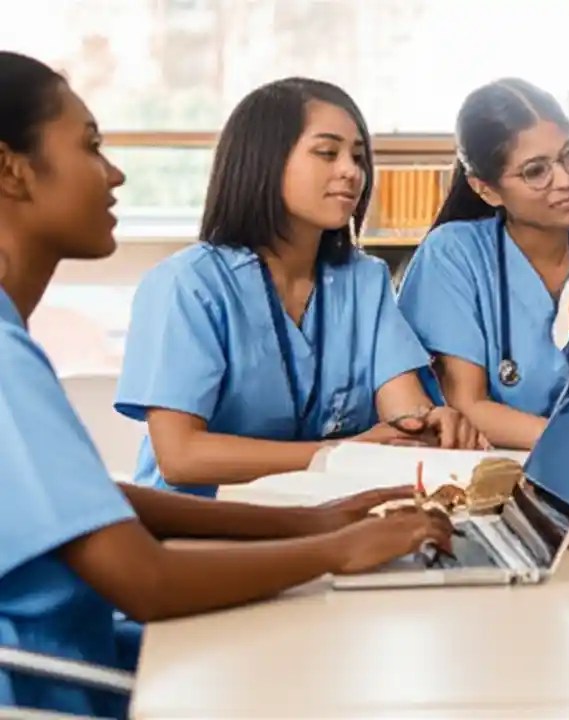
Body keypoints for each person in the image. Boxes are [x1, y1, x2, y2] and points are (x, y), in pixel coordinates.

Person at [0, 51, 452, 718]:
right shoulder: (14, 353)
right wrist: (334, 547)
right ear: (11, 169)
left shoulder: (359, 279)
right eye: (91, 146)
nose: (116, 172)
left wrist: (310, 522)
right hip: (68, 689)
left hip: (103, 648)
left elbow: (96, 503)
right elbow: (148, 579)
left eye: (357, 156)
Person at [115, 78, 483, 498]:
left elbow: (403, 414)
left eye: (358, 157)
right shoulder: (188, 284)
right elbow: (181, 456)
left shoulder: (364, 280)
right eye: (327, 153)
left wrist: (429, 424)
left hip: (324, 517)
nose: (351, 171)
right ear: (264, 161)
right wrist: (338, 453)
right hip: (200, 524)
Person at [396, 78, 569, 452]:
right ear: (486, 189)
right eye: (535, 171)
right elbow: (468, 406)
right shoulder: (453, 255)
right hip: (488, 471)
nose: (566, 180)